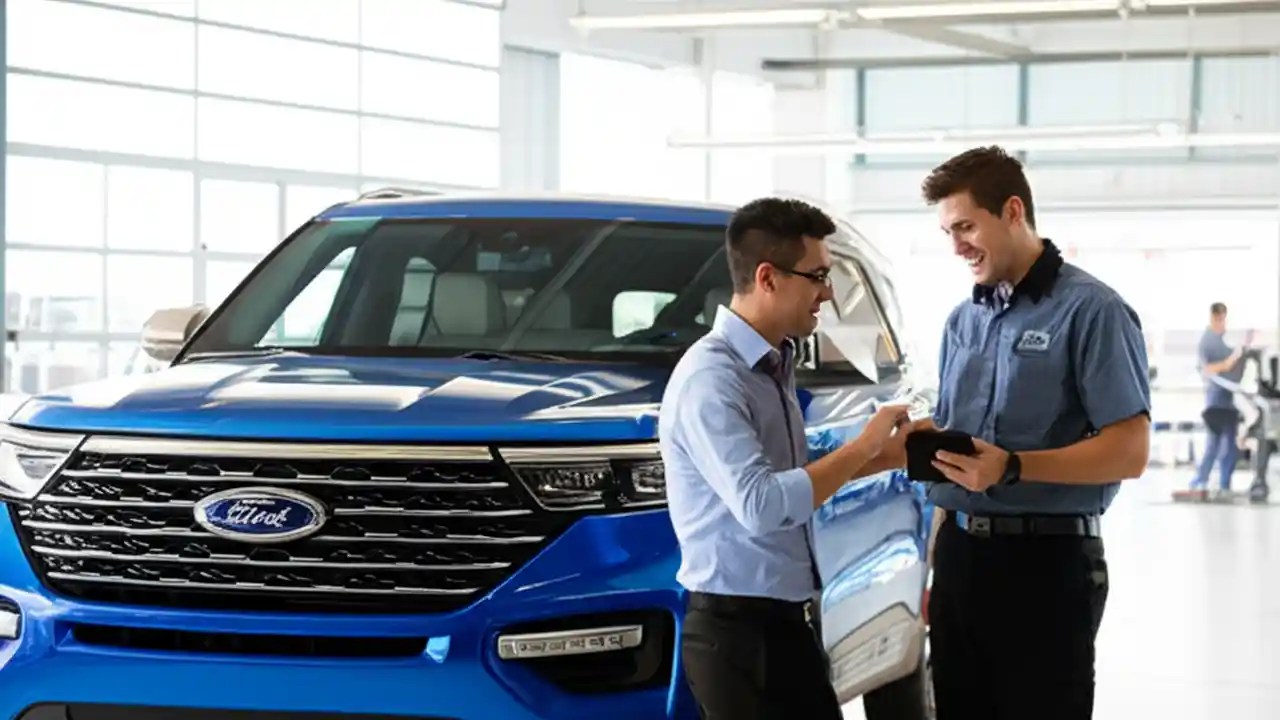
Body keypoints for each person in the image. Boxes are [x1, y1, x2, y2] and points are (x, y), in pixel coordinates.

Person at [916, 146, 1151, 720]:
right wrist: (932, 567)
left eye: (966, 226)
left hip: (1048, 565)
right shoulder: (962, 321)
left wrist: (1014, 466)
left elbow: (1131, 449)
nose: (956, 246)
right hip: (960, 561)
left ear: (1013, 211)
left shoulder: (1092, 311)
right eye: (948, 232)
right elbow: (962, 446)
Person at [659, 197, 915, 719]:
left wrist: (889, 456)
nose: (827, 293)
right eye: (818, 276)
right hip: (739, 637)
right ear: (768, 277)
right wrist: (864, 443)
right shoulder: (714, 379)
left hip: (784, 626)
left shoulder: (772, 364)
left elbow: (796, 478)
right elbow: (762, 505)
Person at [1189, 302, 1253, 494]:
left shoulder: (1227, 341)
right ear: (1211, 318)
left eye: (1222, 318)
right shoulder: (1207, 341)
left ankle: (1225, 484)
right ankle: (1200, 480)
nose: (1220, 322)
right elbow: (1209, 369)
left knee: (1230, 447)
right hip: (1215, 402)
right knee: (1214, 445)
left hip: (1230, 402)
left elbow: (1236, 370)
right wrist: (1231, 359)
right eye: (1217, 318)